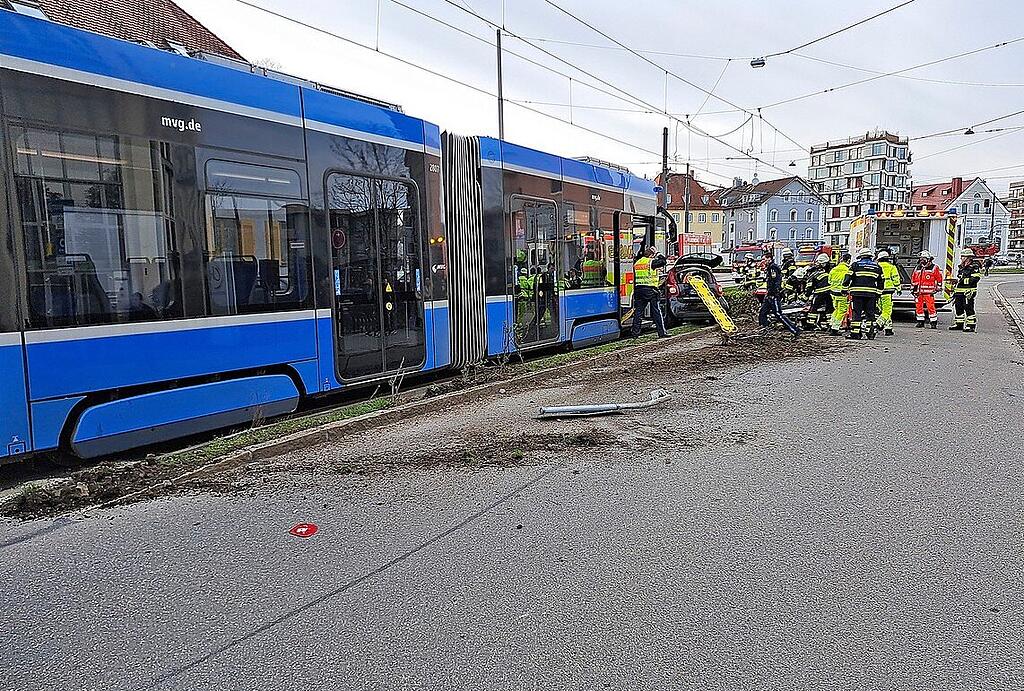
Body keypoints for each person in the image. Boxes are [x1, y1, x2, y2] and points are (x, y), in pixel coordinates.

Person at [843, 247, 884, 340]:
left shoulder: (855, 265)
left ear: (861, 256)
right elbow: (881, 281)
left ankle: (855, 334)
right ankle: (870, 333)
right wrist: (878, 293)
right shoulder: (877, 267)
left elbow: (847, 278)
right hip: (871, 294)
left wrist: (844, 289)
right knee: (870, 313)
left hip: (857, 294)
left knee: (857, 313)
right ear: (870, 256)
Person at [758, 251, 801, 337]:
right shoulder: (770, 267)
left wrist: (774, 292)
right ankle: (764, 330)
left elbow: (775, 282)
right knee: (762, 313)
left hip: (773, 295)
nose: (763, 261)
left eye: (764, 259)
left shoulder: (773, 268)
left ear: (769, 259)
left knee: (778, 314)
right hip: (769, 295)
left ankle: (795, 330)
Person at [631, 244, 668, 338]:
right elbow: (663, 261)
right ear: (651, 255)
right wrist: (657, 252)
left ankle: (635, 334)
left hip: (639, 289)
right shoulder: (650, 262)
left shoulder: (637, 263)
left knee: (638, 312)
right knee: (656, 311)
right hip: (651, 290)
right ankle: (662, 333)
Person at [950, 248, 981, 332]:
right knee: (958, 308)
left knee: (968, 308)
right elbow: (960, 278)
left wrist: (961, 281)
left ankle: (971, 325)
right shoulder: (961, 267)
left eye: (963, 256)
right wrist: (955, 282)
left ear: (968, 257)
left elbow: (975, 279)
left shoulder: (974, 266)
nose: (961, 258)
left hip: (968, 292)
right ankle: (959, 324)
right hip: (959, 292)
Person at [910, 250, 943, 329]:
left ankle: (933, 322)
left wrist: (938, 287)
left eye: (924, 259)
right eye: (921, 259)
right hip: (918, 292)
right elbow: (913, 278)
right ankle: (920, 322)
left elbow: (939, 278)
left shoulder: (934, 268)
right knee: (918, 307)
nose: (922, 261)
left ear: (929, 259)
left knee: (931, 307)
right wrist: (912, 288)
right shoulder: (918, 267)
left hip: (929, 292)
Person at [803, 253, 833, 331]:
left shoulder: (812, 275)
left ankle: (810, 324)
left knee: (814, 309)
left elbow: (809, 288)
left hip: (819, 294)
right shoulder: (829, 271)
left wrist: (804, 298)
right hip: (829, 293)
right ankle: (829, 324)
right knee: (829, 309)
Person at [875, 250, 901, 336]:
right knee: (887, 310)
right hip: (888, 291)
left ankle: (888, 328)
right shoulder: (892, 267)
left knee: (882, 310)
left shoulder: (876, 266)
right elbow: (895, 278)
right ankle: (879, 323)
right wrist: (898, 288)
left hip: (878, 291)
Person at [828, 252, 852, 336]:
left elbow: (829, 281)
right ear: (848, 260)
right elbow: (849, 282)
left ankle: (831, 325)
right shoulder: (848, 270)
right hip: (842, 293)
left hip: (833, 293)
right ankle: (835, 328)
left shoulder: (834, 269)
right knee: (842, 311)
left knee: (836, 310)